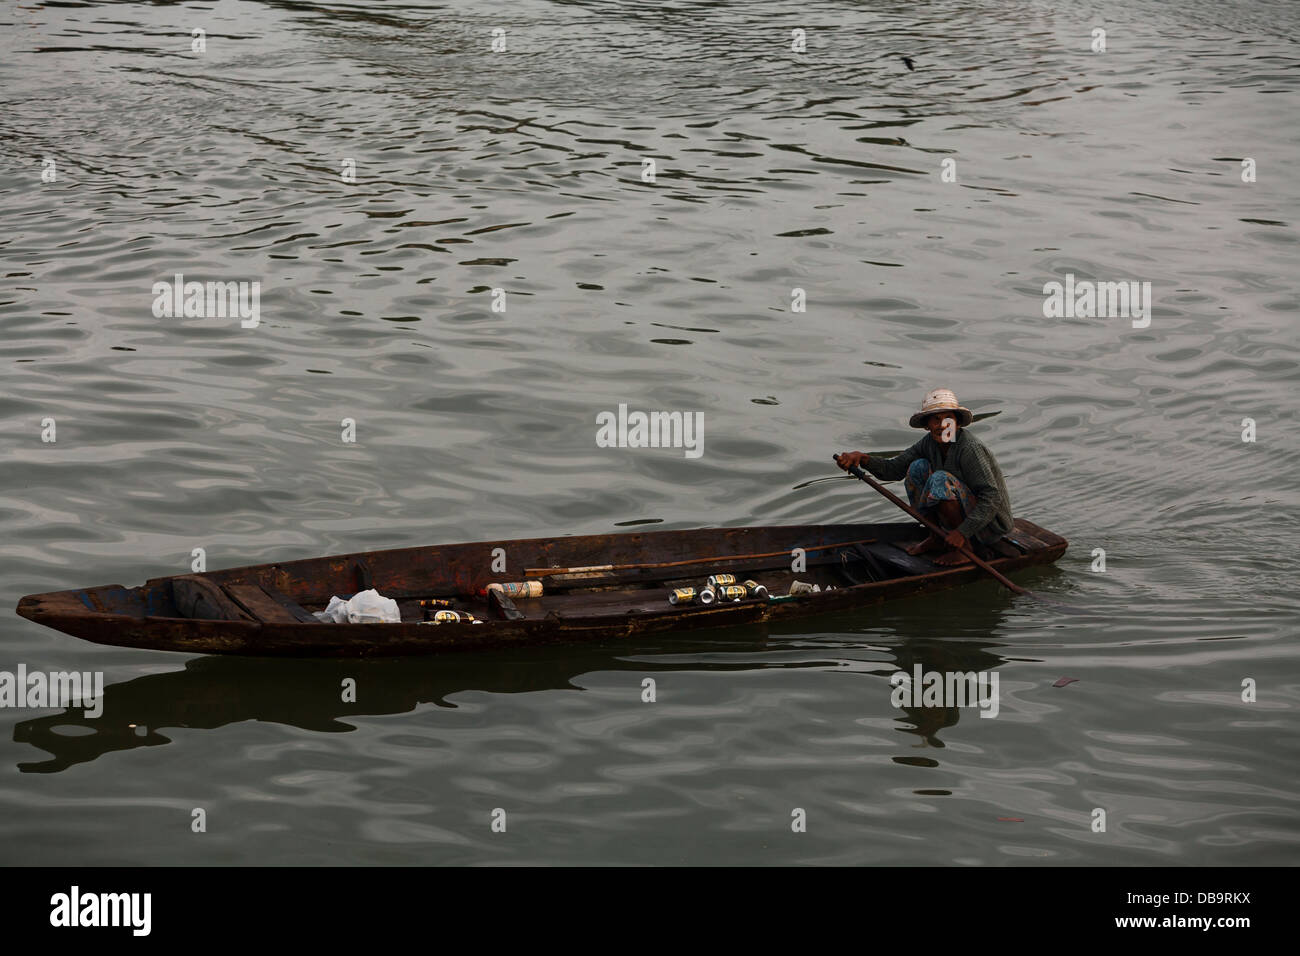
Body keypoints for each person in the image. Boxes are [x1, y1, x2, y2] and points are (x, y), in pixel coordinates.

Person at [836, 388, 1012, 566]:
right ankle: (936, 536)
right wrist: (862, 458)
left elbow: (991, 497)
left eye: (948, 419)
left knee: (940, 479)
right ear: (927, 425)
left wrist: (962, 533)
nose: (943, 425)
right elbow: (893, 470)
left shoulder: (969, 448)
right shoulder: (928, 444)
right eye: (936, 419)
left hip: (988, 527)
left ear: (957, 423)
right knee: (916, 469)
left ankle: (963, 549)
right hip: (961, 523)